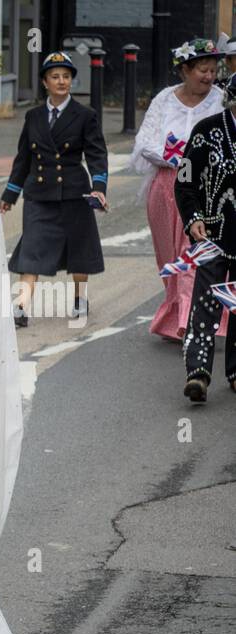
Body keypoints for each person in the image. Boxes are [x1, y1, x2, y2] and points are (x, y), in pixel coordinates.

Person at [0, 51, 109, 327]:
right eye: (55, 77)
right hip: (39, 194)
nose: (61, 81)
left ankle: (80, 298)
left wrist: (99, 188)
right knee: (32, 249)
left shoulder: (85, 115)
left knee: (79, 249)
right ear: (45, 82)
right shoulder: (33, 116)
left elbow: (97, 154)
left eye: (66, 76)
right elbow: (23, 158)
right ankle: (22, 306)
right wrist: (10, 194)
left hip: (74, 193)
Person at [132, 38, 224, 340]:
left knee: (193, 253)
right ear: (185, 69)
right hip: (164, 187)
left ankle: (191, 319)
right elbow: (145, 142)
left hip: (204, 187)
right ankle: (175, 314)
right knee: (169, 257)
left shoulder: (221, 100)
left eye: (213, 70)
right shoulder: (164, 99)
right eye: (202, 70)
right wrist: (176, 155)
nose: (209, 77)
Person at [174, 73, 236, 402]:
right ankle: (198, 373)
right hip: (212, 232)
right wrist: (193, 218)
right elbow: (184, 183)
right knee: (206, 303)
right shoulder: (205, 132)